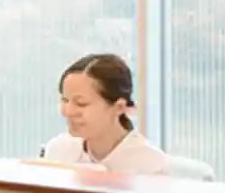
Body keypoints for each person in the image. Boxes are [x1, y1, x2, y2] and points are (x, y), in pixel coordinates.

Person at [41, 53, 169, 175]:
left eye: (81, 103)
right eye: (65, 100)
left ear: (119, 107)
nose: (67, 112)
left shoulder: (151, 165)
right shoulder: (58, 150)